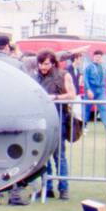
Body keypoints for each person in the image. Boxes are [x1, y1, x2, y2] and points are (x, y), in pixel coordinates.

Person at [0, 36, 35, 206]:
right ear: (7, 47)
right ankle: (15, 193)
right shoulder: (17, 64)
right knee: (15, 154)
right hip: (13, 116)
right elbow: (28, 89)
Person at [35, 49, 76, 200]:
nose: (43, 67)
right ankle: (48, 187)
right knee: (44, 156)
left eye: (46, 64)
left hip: (59, 119)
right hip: (42, 121)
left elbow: (72, 95)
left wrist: (56, 97)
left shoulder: (64, 75)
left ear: (53, 63)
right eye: (40, 64)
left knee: (60, 156)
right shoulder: (36, 77)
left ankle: (63, 188)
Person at [83, 49, 106, 130]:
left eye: (99, 57)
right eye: (96, 57)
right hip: (91, 90)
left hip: (101, 91)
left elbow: (104, 79)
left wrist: (104, 89)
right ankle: (83, 125)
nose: (97, 58)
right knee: (87, 109)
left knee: (104, 108)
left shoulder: (103, 67)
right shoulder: (89, 67)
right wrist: (88, 89)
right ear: (93, 57)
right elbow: (85, 79)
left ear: (102, 57)